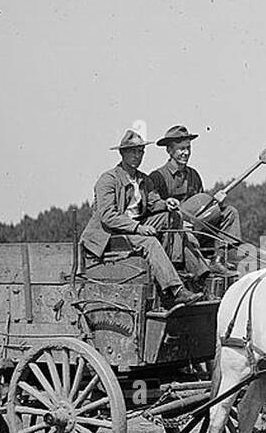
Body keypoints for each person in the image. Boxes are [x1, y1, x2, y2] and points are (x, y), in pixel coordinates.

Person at [79, 130, 203, 306]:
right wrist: (138, 228)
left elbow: (154, 203)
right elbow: (108, 216)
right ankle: (176, 289)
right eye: (133, 151)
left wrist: (167, 203)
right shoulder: (108, 179)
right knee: (150, 242)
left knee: (173, 216)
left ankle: (180, 268)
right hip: (112, 235)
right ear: (122, 153)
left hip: (135, 229)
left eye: (141, 152)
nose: (138, 156)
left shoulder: (143, 179)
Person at [144, 125, 242, 272]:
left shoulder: (193, 175)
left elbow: (202, 206)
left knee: (230, 212)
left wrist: (215, 203)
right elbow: (153, 210)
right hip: (173, 235)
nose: (186, 153)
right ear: (169, 150)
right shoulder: (157, 177)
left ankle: (219, 259)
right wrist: (179, 222)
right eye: (181, 149)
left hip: (196, 228)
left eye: (188, 148)